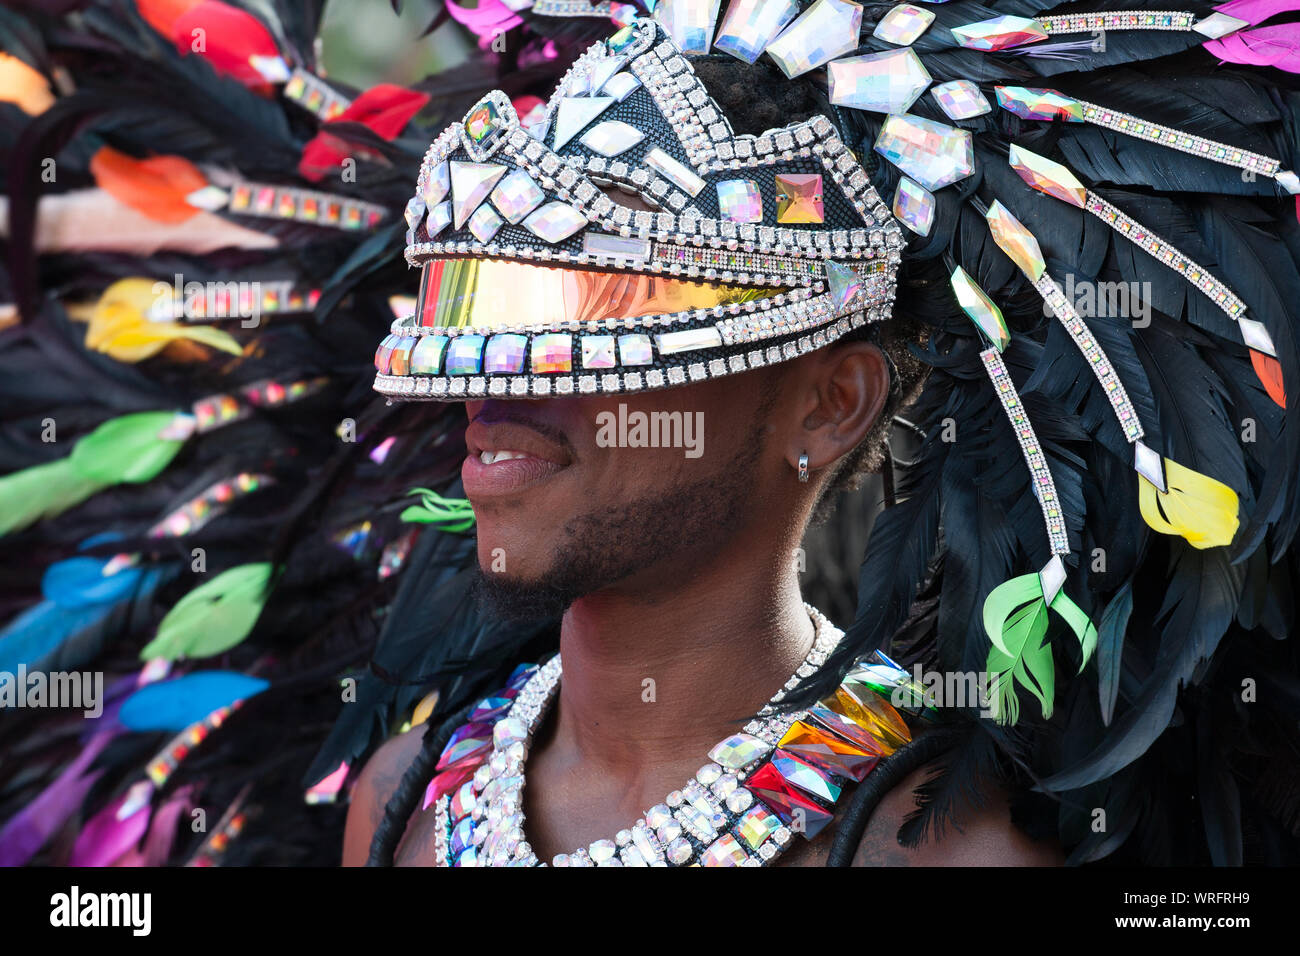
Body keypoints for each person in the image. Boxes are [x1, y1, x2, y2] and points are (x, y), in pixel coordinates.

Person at [344, 9, 1300, 867]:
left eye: (604, 313)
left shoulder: (949, 856)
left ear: (830, 404)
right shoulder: (402, 806)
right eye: (479, 315)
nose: (492, 387)